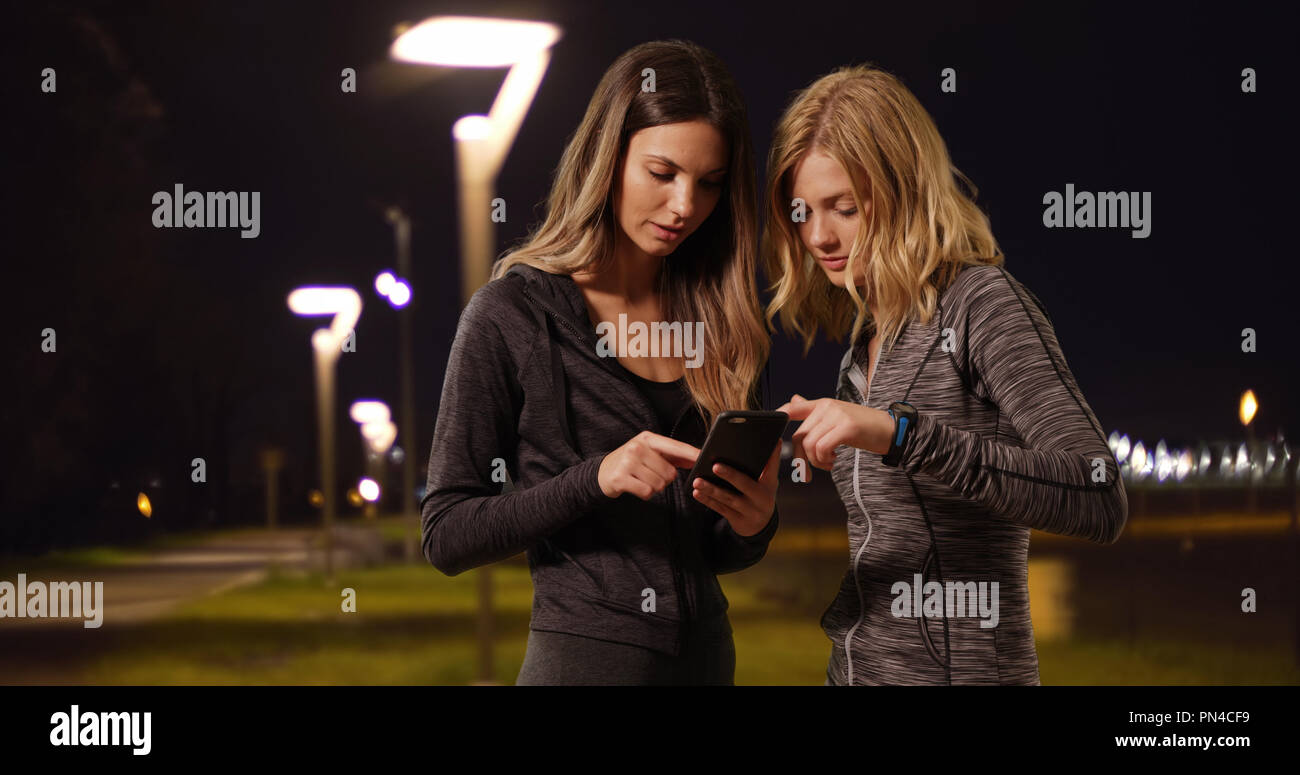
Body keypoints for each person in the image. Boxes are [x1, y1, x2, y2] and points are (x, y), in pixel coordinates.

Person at [420, 40, 781, 685]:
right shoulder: (512, 315)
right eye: (662, 173)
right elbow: (447, 533)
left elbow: (711, 553)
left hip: (708, 663)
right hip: (584, 664)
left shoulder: (718, 322)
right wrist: (595, 478)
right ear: (607, 159)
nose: (684, 207)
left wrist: (753, 524)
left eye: (710, 183)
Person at [763, 64, 1128, 685]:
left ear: (903, 190)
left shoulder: (982, 303)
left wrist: (896, 435)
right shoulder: (865, 346)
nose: (818, 236)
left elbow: (1098, 495)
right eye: (803, 212)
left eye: (844, 208)